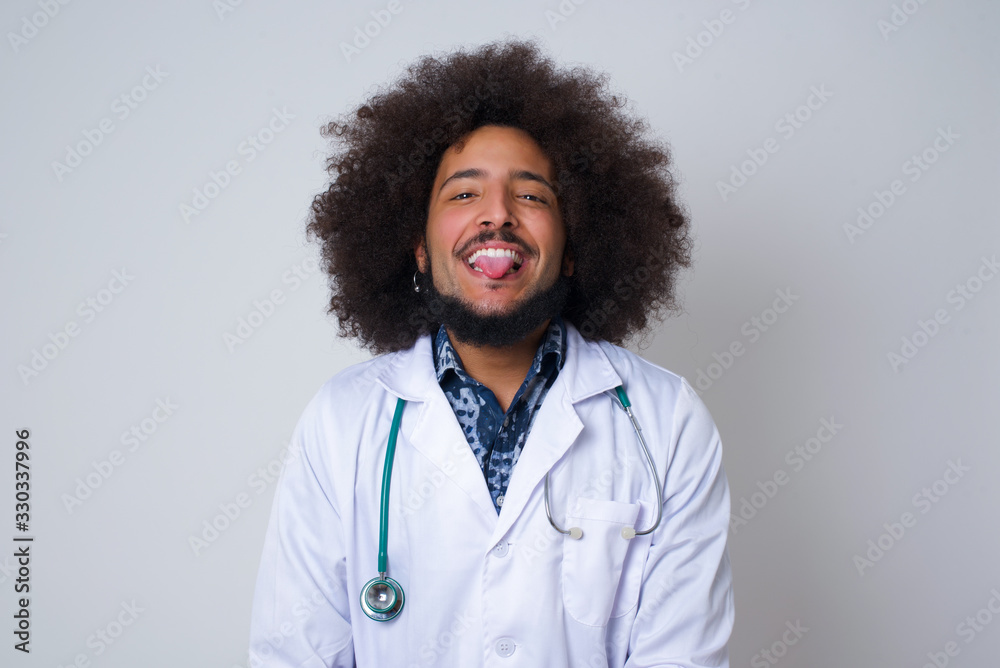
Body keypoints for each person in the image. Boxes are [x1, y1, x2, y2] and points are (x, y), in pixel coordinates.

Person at [249, 39, 733, 667]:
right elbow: (294, 655)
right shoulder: (342, 421)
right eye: (463, 194)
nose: (497, 216)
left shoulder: (666, 420)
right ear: (419, 249)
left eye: (531, 195)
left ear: (577, 245)